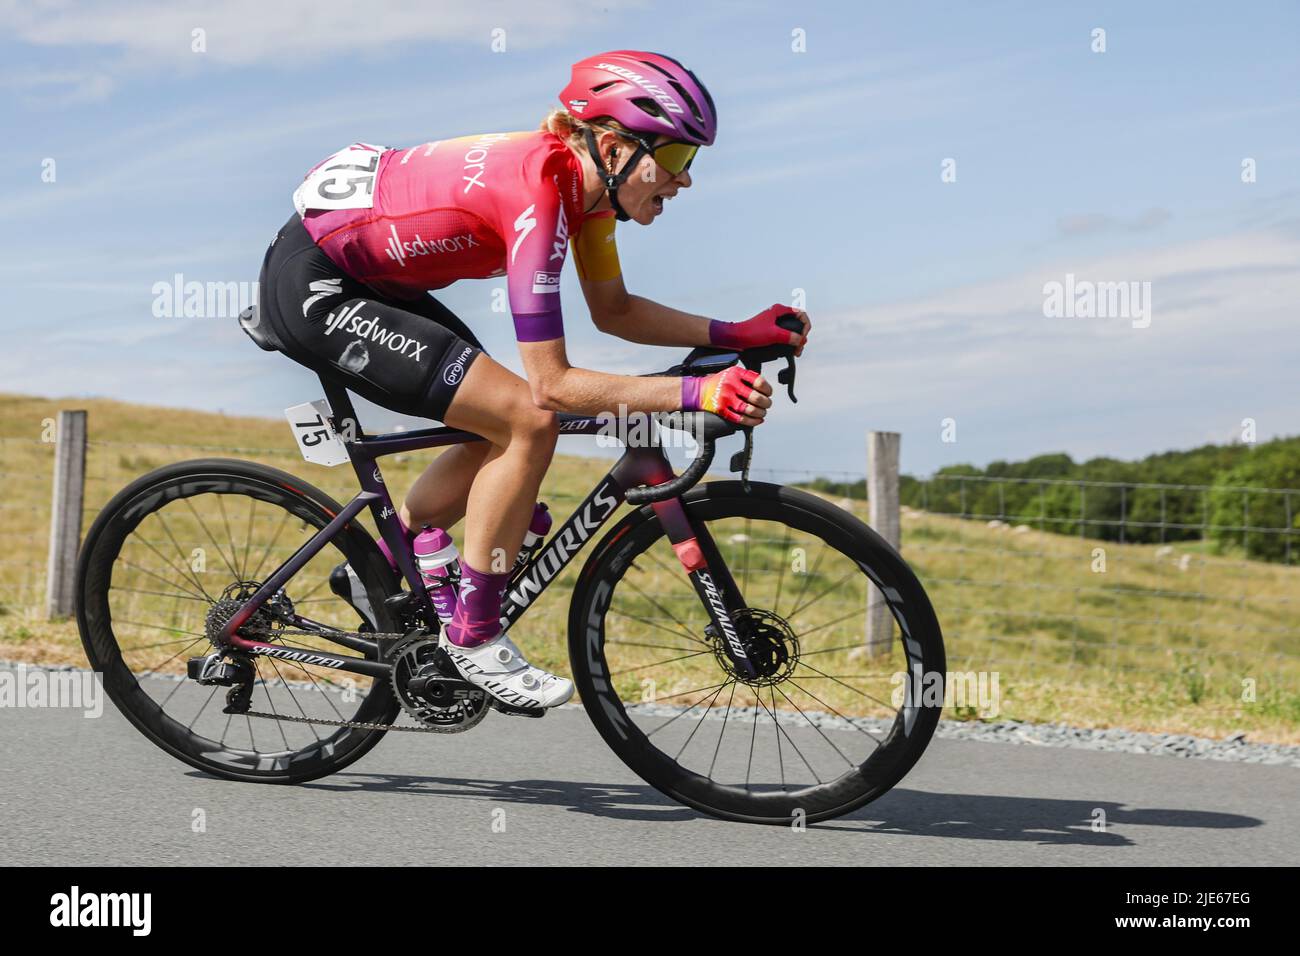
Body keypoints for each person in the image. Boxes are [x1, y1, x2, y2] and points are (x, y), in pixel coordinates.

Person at [254, 50, 810, 709]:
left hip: (369, 274)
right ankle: (474, 637)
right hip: (318, 285)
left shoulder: (588, 193)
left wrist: (734, 335)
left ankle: (372, 567)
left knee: (495, 415)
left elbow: (616, 311)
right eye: (679, 159)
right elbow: (552, 385)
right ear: (613, 146)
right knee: (527, 415)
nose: (684, 182)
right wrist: (695, 393)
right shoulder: (538, 195)